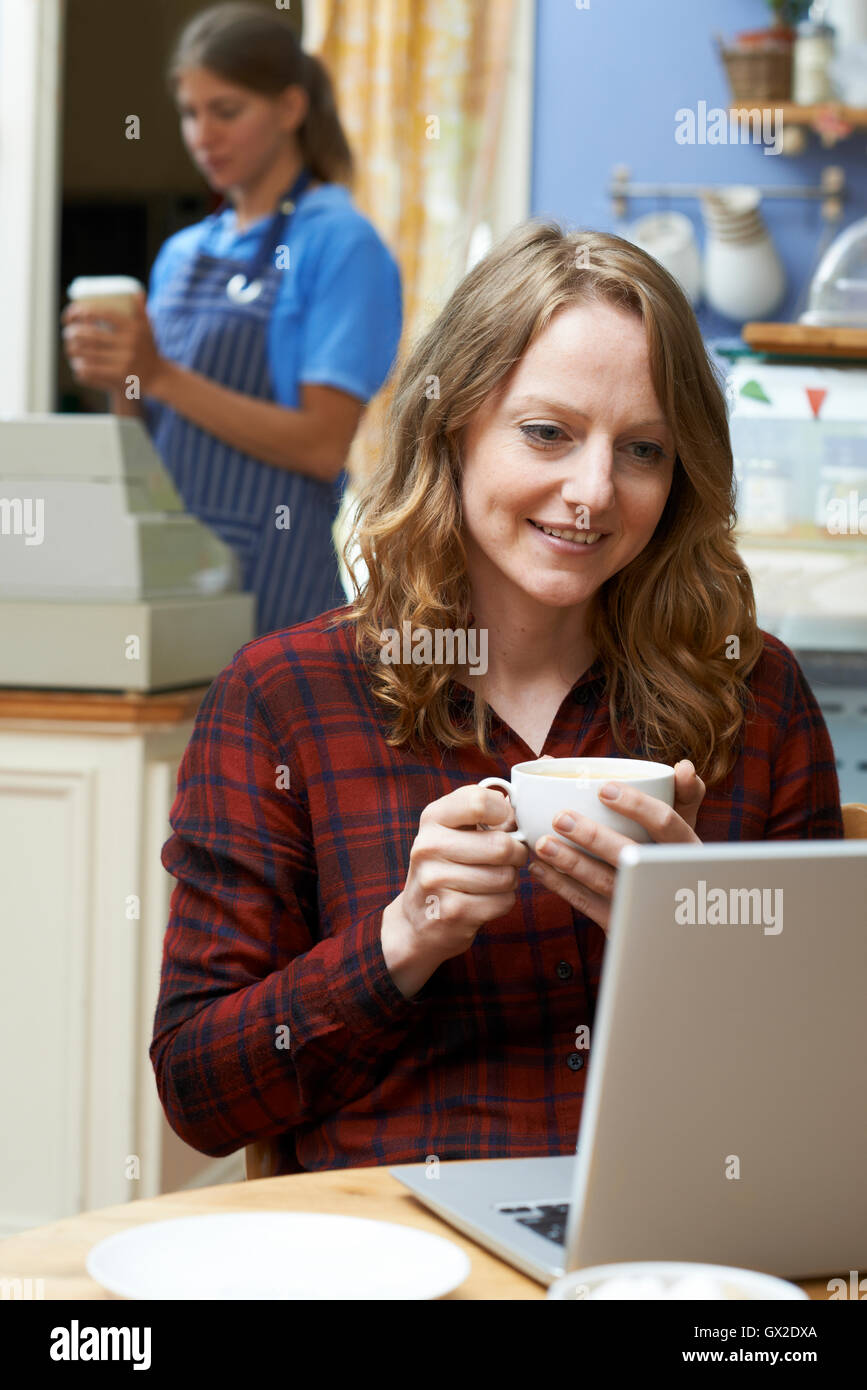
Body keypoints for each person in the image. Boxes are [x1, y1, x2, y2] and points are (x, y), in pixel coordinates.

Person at [150, 221, 843, 1176]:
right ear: (453, 425)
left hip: (667, 1243)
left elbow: (829, 1079)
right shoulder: (284, 696)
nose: (592, 491)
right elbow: (199, 1092)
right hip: (388, 1250)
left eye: (641, 449)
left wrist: (700, 931)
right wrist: (405, 934)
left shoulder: (754, 691)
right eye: (547, 432)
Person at [62, 3, 402, 634]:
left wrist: (158, 374)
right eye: (190, 114)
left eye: (226, 111)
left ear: (290, 109)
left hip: (278, 583)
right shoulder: (183, 253)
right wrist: (122, 378)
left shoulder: (341, 245)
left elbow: (321, 444)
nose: (202, 136)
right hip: (171, 578)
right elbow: (147, 437)